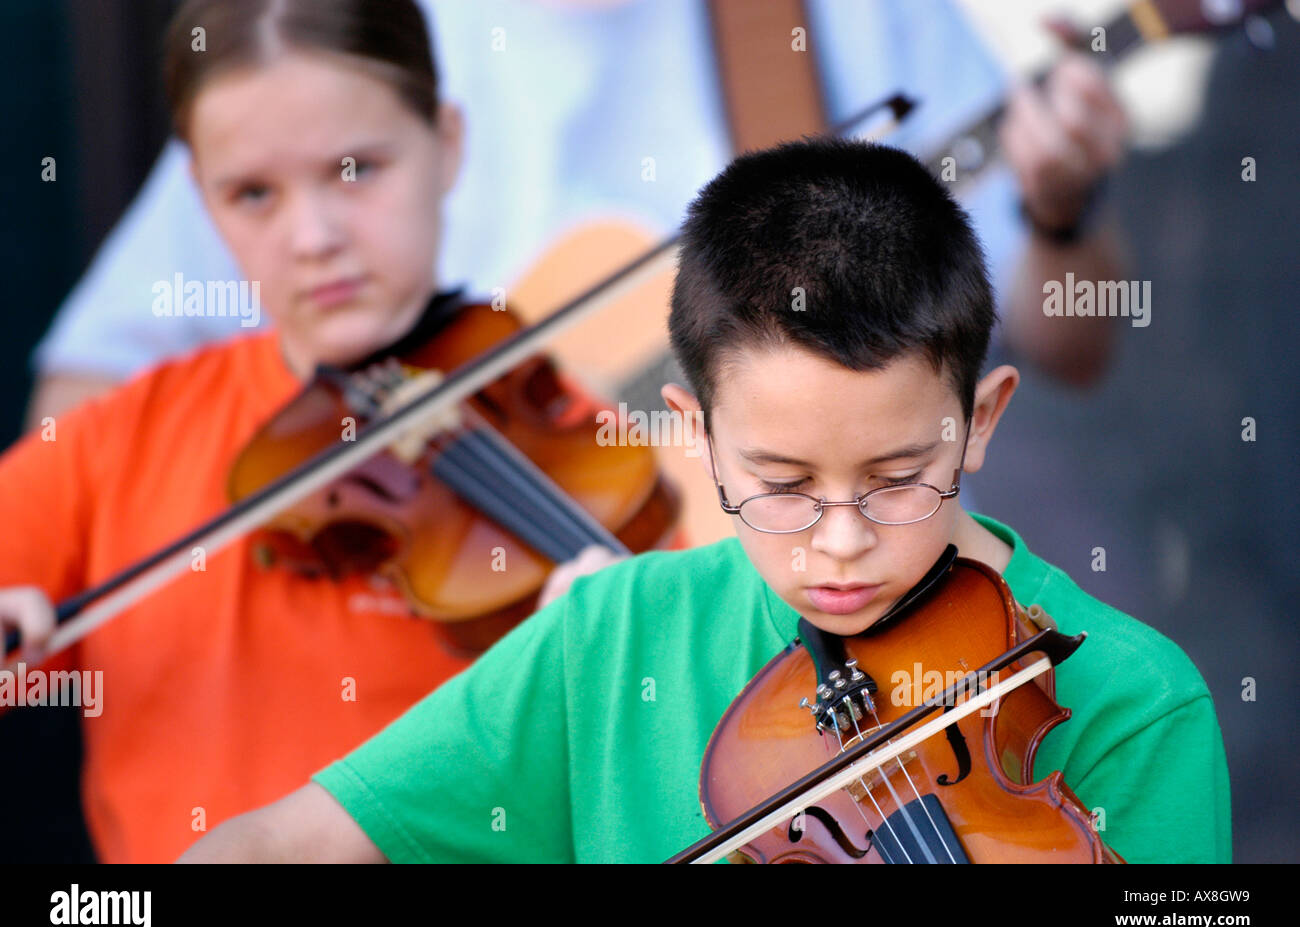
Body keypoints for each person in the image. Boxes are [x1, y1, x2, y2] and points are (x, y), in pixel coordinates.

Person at [180, 138, 1231, 864]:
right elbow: (283, 843)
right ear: (693, 433)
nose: (841, 543)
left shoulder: (1133, 704)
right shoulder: (608, 636)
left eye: (897, 478)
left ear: (984, 418)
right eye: (780, 485)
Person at [0, 0, 645, 863]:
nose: (312, 237)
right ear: (202, 201)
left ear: (449, 145)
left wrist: (628, 663)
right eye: (254, 193)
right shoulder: (112, 444)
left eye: (355, 170)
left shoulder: (595, 458)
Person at [26, 0, 1128, 432]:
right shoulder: (353, 37)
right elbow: (81, 391)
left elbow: (1070, 346)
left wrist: (1060, 211)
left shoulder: (825, 18)